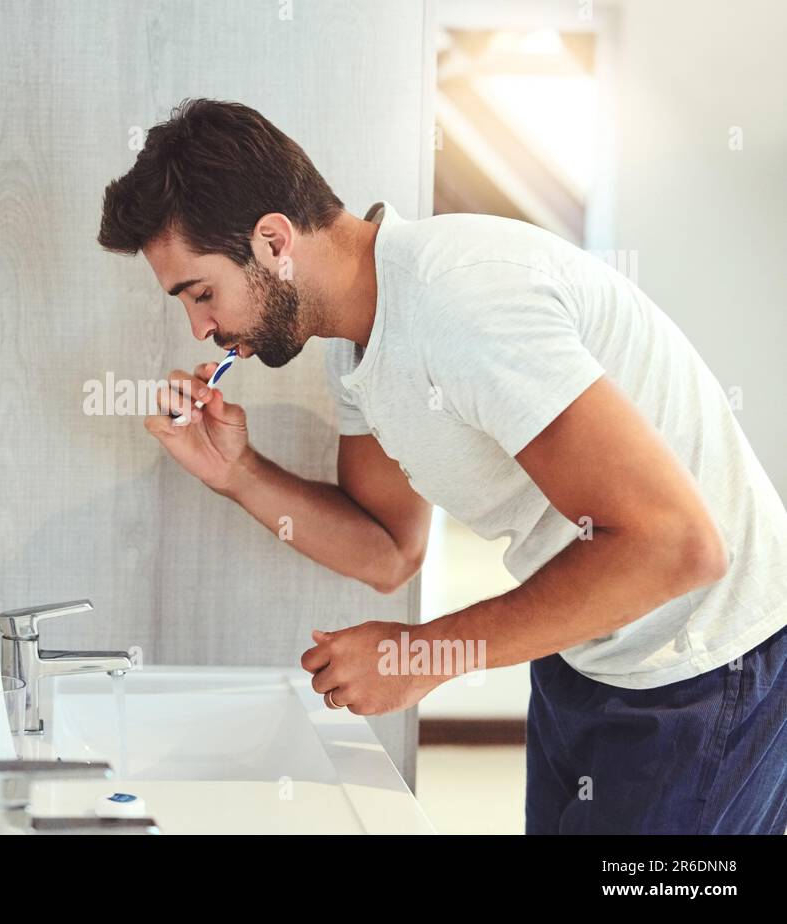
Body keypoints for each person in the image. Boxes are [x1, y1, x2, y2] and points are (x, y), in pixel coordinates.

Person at [96, 98, 787, 834]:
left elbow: (678, 545)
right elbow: (391, 550)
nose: (200, 327)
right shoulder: (359, 346)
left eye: (199, 293)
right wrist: (238, 473)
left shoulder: (461, 302)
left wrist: (422, 656)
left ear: (272, 241)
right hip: (589, 647)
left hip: (709, 665)